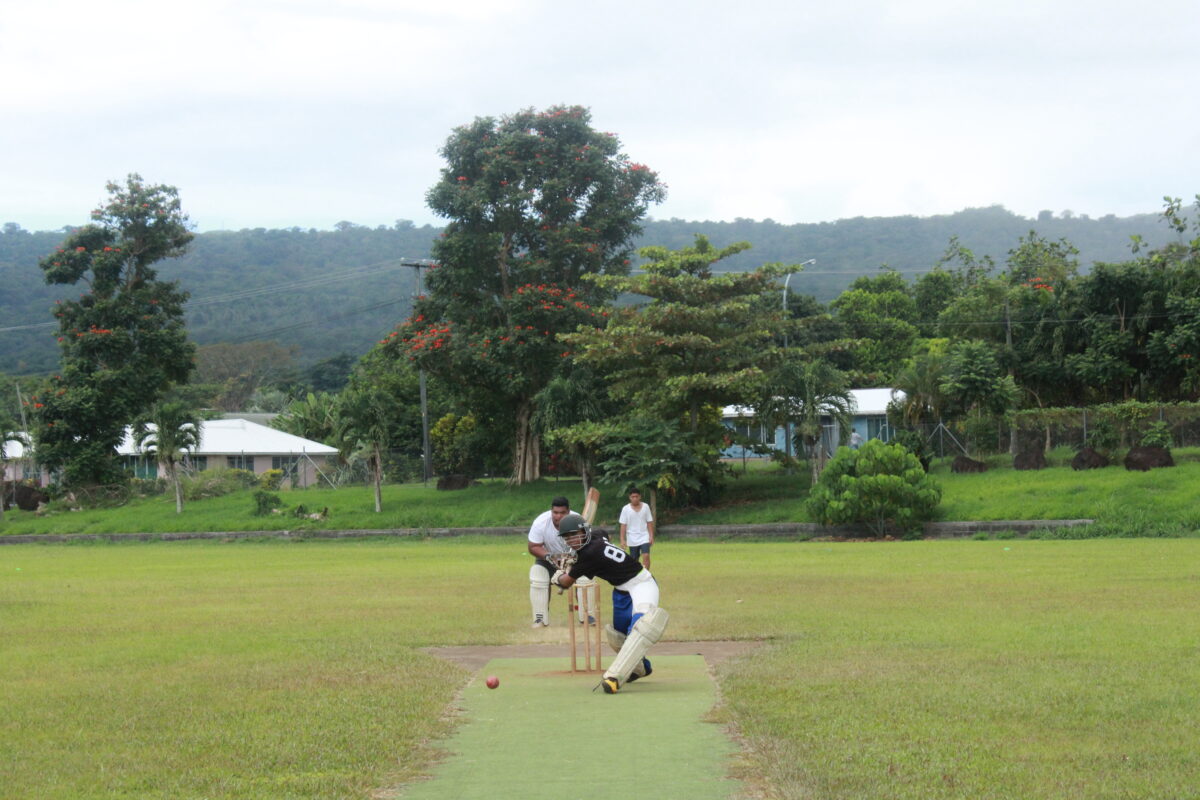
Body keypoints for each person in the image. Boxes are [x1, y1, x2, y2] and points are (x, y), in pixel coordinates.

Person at [552, 512, 668, 694]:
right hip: (621, 590)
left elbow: (566, 582)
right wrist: (574, 559)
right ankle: (641, 668)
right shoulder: (596, 536)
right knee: (618, 637)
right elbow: (603, 532)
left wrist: (558, 576)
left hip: (642, 583)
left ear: (583, 532)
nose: (571, 540)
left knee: (640, 628)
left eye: (574, 535)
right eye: (567, 537)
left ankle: (614, 678)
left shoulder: (589, 555)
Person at [526, 496, 572, 628]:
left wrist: (572, 558)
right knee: (538, 574)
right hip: (548, 558)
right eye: (555, 513)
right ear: (551, 511)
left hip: (574, 560)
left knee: (585, 579)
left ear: (568, 512)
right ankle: (539, 619)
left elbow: (589, 546)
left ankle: (588, 617)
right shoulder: (541, 523)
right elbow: (533, 547)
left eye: (562, 513)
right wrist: (551, 557)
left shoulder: (579, 521)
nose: (558, 516)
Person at [618, 487, 655, 570]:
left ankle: (646, 574)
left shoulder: (646, 507)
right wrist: (622, 539)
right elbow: (623, 525)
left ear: (640, 497)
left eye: (636, 496)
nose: (635, 498)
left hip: (644, 536)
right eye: (633, 497)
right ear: (629, 497)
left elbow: (649, 522)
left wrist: (651, 536)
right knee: (634, 559)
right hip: (631, 538)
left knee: (646, 555)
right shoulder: (625, 509)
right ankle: (635, 576)